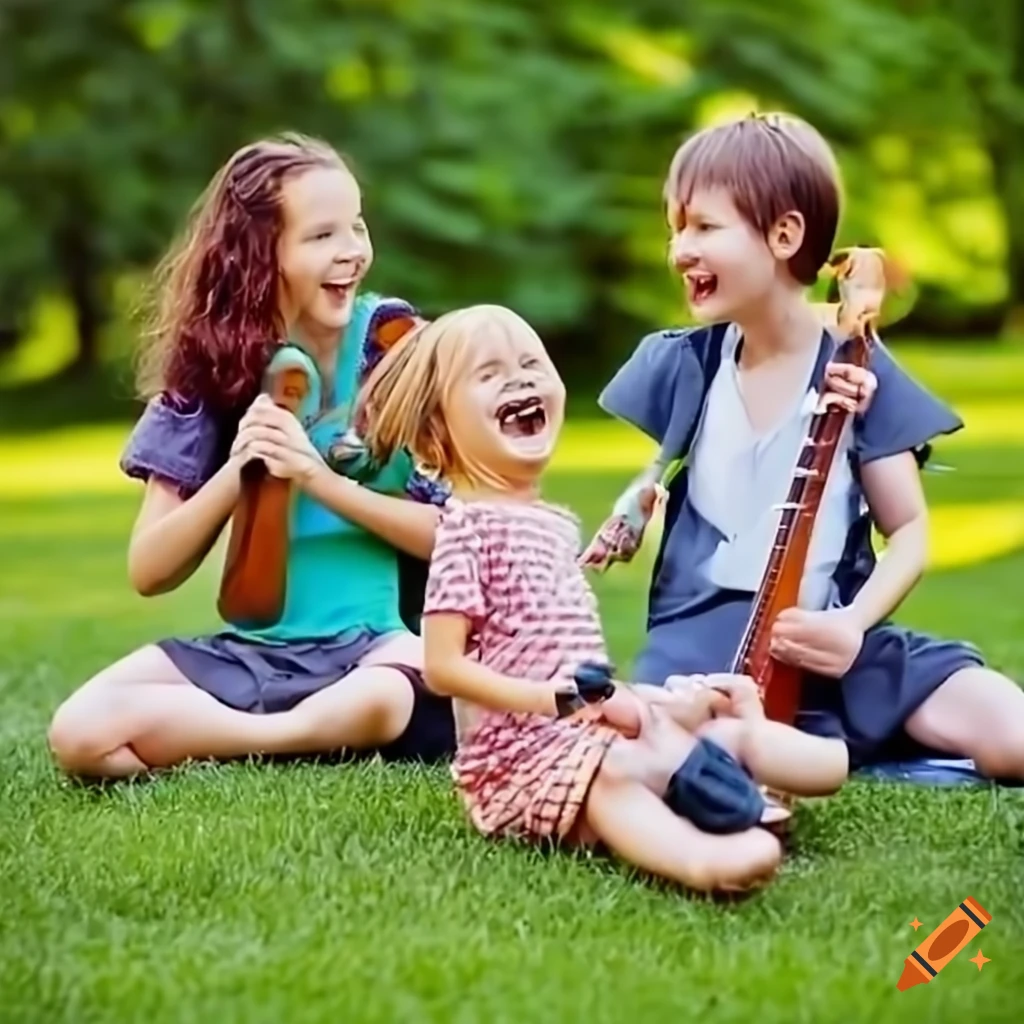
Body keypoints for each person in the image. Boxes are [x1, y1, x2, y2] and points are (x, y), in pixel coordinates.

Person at [589, 112, 1024, 782]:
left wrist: (853, 626)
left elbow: (908, 530)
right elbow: (660, 468)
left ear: (785, 235)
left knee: (1011, 734)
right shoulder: (688, 366)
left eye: (704, 226)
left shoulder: (857, 369)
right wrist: (628, 515)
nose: (680, 249)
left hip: (840, 644)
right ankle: (813, 752)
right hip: (709, 640)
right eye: (677, 228)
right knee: (659, 744)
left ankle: (844, 740)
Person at [357, 303, 849, 895]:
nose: (519, 378)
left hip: (587, 722)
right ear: (438, 432)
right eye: (488, 374)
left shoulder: (552, 523)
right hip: (522, 759)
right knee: (613, 773)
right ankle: (700, 859)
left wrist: (618, 701)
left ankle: (784, 754)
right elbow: (443, 668)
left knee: (695, 720)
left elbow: (555, 645)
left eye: (530, 363)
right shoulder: (465, 531)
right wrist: (556, 701)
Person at [47, 133, 455, 779]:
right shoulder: (209, 374)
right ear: (259, 256)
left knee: (378, 698)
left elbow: (466, 535)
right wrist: (242, 470)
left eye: (356, 225)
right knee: (79, 735)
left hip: (379, 648)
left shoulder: (397, 349)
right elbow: (150, 569)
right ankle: (297, 732)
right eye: (322, 236)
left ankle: (251, 734)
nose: (351, 251)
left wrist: (315, 478)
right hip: (256, 650)